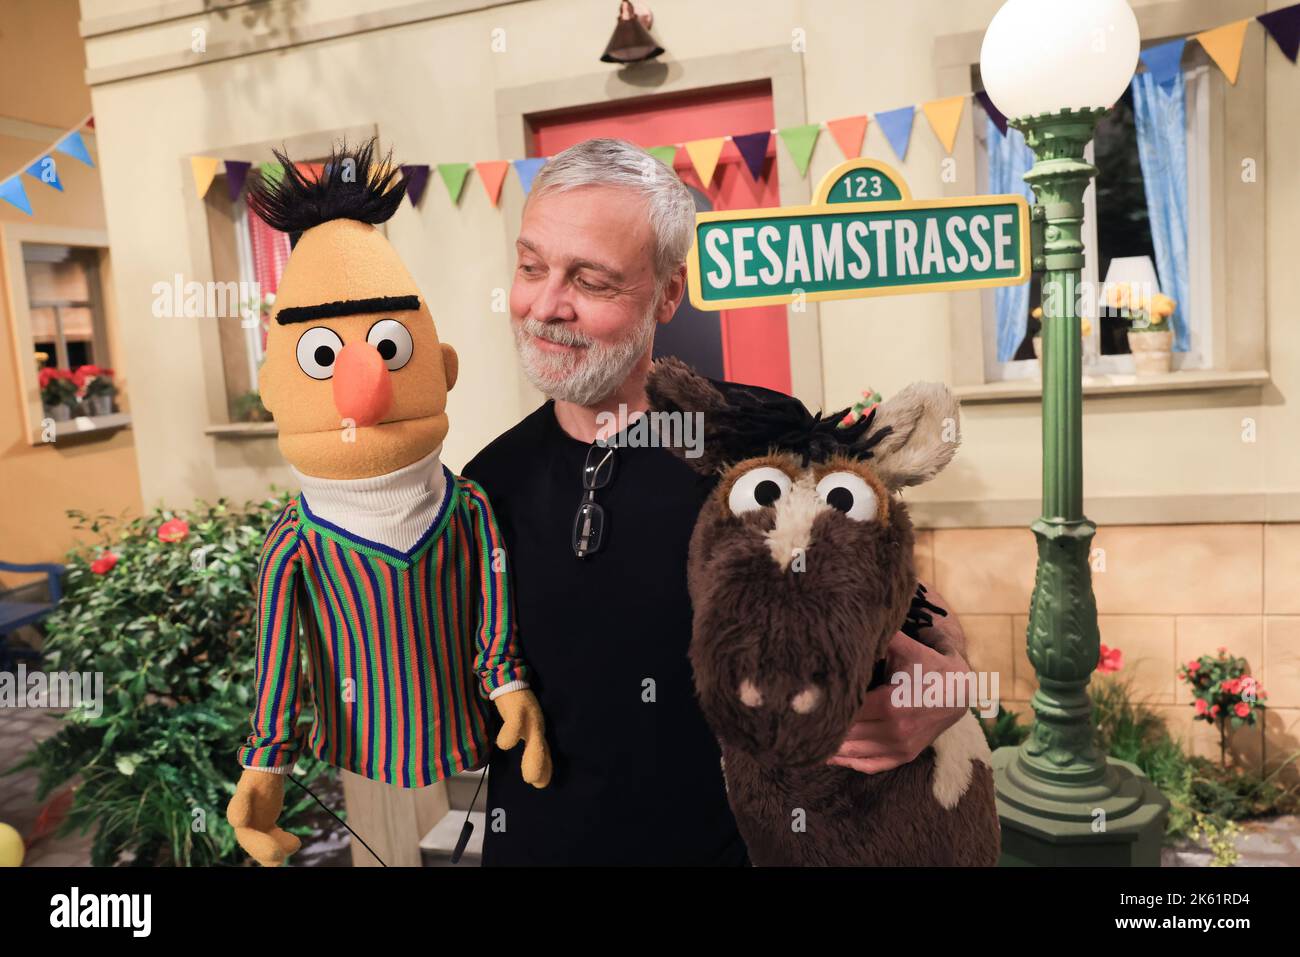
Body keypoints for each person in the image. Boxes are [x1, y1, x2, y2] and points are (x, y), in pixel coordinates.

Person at [462, 138, 971, 866]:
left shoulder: (762, 449)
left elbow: (910, 606)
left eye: (591, 280)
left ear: (668, 293)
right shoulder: (485, 481)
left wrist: (951, 679)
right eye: (530, 267)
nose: (545, 306)